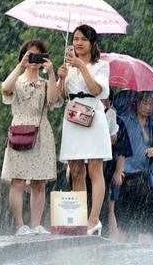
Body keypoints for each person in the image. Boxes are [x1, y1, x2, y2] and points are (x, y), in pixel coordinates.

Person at [0, 39, 60, 235]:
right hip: (19, 129)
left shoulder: (45, 83)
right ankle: (19, 225)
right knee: (17, 180)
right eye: (30, 54)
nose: (33, 59)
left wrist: (51, 73)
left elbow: (53, 99)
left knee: (39, 181)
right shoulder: (17, 80)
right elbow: (5, 88)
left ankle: (36, 225)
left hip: (40, 131)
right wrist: (21, 65)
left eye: (37, 55)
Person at [57, 24, 112, 236]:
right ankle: (79, 220)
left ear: (92, 43)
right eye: (75, 39)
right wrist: (61, 77)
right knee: (77, 171)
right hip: (72, 116)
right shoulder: (67, 65)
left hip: (93, 115)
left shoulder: (101, 65)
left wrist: (81, 66)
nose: (78, 43)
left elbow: (97, 90)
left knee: (94, 170)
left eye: (82, 39)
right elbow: (60, 97)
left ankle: (94, 219)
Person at [114, 92, 153, 243]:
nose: (148, 107)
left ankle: (145, 257)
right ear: (137, 103)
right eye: (144, 103)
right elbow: (115, 145)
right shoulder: (125, 122)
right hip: (127, 178)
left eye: (151, 104)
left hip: (149, 181)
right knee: (123, 224)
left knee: (147, 225)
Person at [100, 90, 122, 239]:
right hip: (87, 165)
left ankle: (110, 238)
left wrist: (118, 171)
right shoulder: (83, 110)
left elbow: (120, 148)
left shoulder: (114, 117)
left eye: (104, 100)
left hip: (108, 168)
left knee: (110, 205)